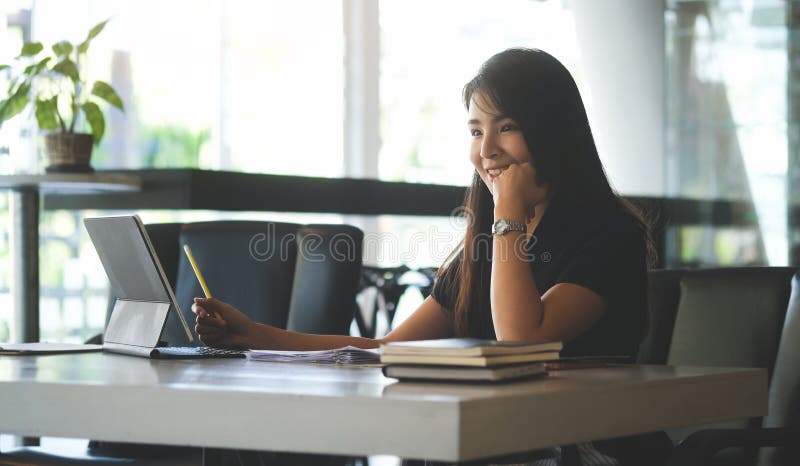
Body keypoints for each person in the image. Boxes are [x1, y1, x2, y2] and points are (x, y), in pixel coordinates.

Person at [194, 48, 661, 466]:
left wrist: (508, 215)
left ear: (552, 133)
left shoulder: (609, 235)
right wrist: (255, 335)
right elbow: (386, 351)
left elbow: (521, 340)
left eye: (506, 127)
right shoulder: (485, 247)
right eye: (476, 131)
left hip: (582, 448)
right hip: (498, 444)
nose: (486, 150)